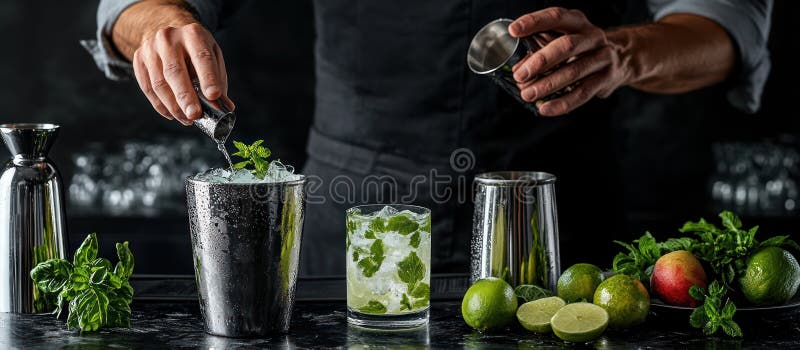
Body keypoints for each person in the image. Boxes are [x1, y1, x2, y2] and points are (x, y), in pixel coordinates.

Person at [85, 0, 772, 276]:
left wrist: (624, 54)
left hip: (560, 223)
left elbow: (725, 26)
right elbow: (129, 9)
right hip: (348, 229)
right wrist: (159, 22)